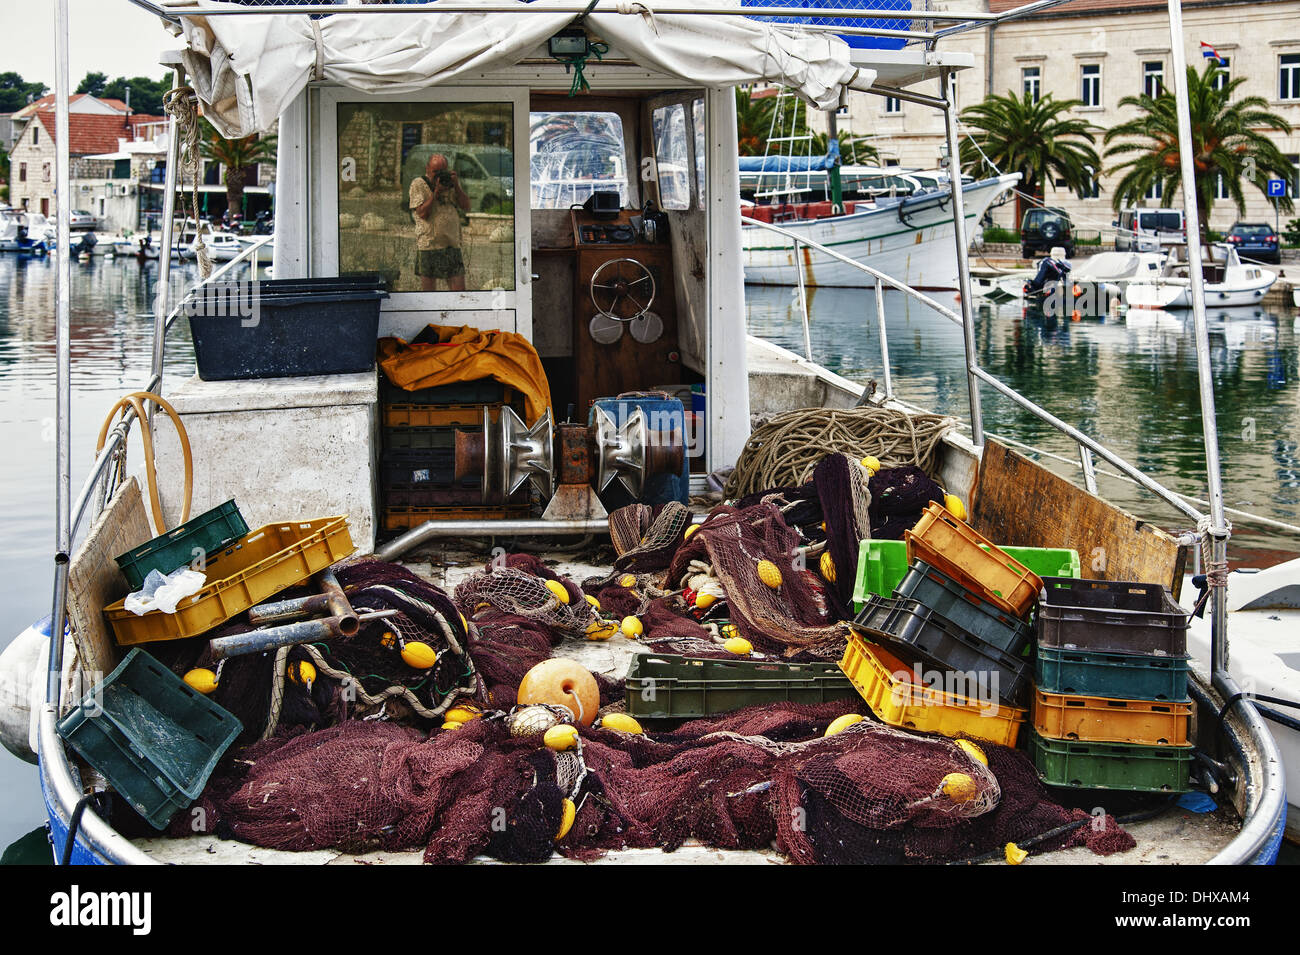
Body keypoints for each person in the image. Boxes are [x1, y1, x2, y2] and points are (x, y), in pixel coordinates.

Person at [410, 153, 471, 291]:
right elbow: (422, 213)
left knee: (459, 292)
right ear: (427, 168)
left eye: (442, 171)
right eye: (435, 172)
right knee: (429, 293)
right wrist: (436, 192)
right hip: (429, 244)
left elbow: (466, 206)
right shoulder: (418, 184)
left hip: (451, 244)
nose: (439, 176)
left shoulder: (451, 183)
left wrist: (456, 185)